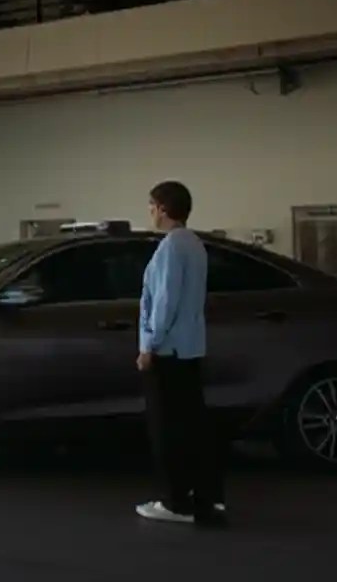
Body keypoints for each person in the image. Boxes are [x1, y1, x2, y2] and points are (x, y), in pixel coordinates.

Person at [135, 181, 226, 526]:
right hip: (189, 348)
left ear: (161, 208)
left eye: (151, 206)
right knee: (193, 426)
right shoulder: (195, 244)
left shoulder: (171, 247)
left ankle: (174, 502)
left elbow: (164, 302)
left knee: (166, 427)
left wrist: (149, 347)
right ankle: (207, 496)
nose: (150, 213)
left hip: (168, 350)